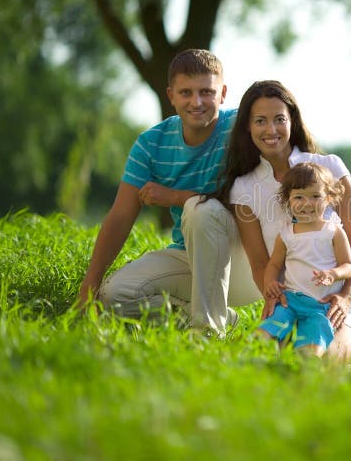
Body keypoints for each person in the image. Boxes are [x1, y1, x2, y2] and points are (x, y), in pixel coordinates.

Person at [76, 49, 260, 334]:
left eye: (206, 92)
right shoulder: (151, 144)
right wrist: (90, 283)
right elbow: (121, 216)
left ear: (222, 93)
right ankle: (215, 317)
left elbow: (288, 168)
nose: (196, 102)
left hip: (251, 260)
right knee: (113, 296)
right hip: (191, 256)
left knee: (201, 210)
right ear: (170, 95)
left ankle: (208, 334)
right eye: (185, 92)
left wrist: (175, 197)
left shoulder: (243, 127)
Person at [214, 80, 351, 360]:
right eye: (260, 121)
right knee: (275, 358)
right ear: (247, 126)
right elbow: (259, 263)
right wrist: (274, 299)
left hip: (348, 304)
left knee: (323, 358)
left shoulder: (329, 167)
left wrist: (347, 295)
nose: (271, 129)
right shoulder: (243, 188)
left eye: (280, 119)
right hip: (291, 305)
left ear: (292, 121)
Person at [257, 162, 351, 357]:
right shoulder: (286, 234)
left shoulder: (333, 231)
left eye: (315, 196)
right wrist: (269, 283)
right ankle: (253, 362)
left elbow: (348, 265)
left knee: (311, 350)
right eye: (299, 197)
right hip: (289, 302)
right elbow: (274, 265)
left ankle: (304, 364)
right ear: (288, 200)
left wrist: (333, 274)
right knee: (262, 336)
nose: (307, 203)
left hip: (321, 307)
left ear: (328, 198)